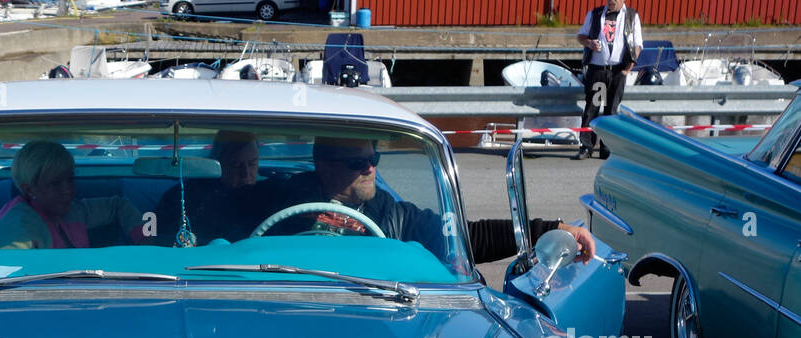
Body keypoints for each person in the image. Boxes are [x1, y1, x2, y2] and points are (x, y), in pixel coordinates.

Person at [257, 136, 595, 265]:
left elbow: (465, 238)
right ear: (324, 167)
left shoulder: (394, 215)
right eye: (358, 163)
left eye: (374, 157)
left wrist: (550, 229)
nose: (371, 168)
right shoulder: (278, 201)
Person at [0, 140, 147, 251]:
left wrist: (146, 240)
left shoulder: (71, 210)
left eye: (70, 179)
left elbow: (118, 205)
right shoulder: (17, 227)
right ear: (30, 190)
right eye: (55, 183)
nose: (68, 190)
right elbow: (10, 276)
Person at [152, 131, 269, 246]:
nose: (246, 174)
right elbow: (157, 239)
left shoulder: (269, 196)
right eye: (236, 165)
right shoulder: (186, 198)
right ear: (217, 162)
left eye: (252, 164)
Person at [576, 0, 643, 159]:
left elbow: (638, 45)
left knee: (611, 111)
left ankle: (607, 148)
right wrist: (589, 42)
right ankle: (586, 146)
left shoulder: (631, 16)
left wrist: (628, 69)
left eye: (614, 1)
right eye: (608, 0)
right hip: (598, 69)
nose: (610, 3)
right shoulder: (595, 13)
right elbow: (580, 36)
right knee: (592, 108)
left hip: (618, 71)